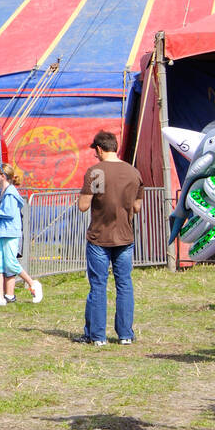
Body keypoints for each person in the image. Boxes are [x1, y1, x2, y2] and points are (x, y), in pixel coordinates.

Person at [75, 131, 142, 346]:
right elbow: (137, 207)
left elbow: (83, 206)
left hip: (99, 237)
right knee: (124, 284)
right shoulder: (133, 172)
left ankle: (97, 336)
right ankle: (125, 335)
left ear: (99, 149)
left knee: (98, 285)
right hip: (125, 236)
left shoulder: (97, 173)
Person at [0, 163, 43, 307]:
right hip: (1, 232)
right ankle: (0, 297)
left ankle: (33, 283)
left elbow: (8, 213)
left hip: (10, 232)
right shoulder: (2, 191)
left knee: (11, 263)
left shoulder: (10, 193)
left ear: (3, 176)